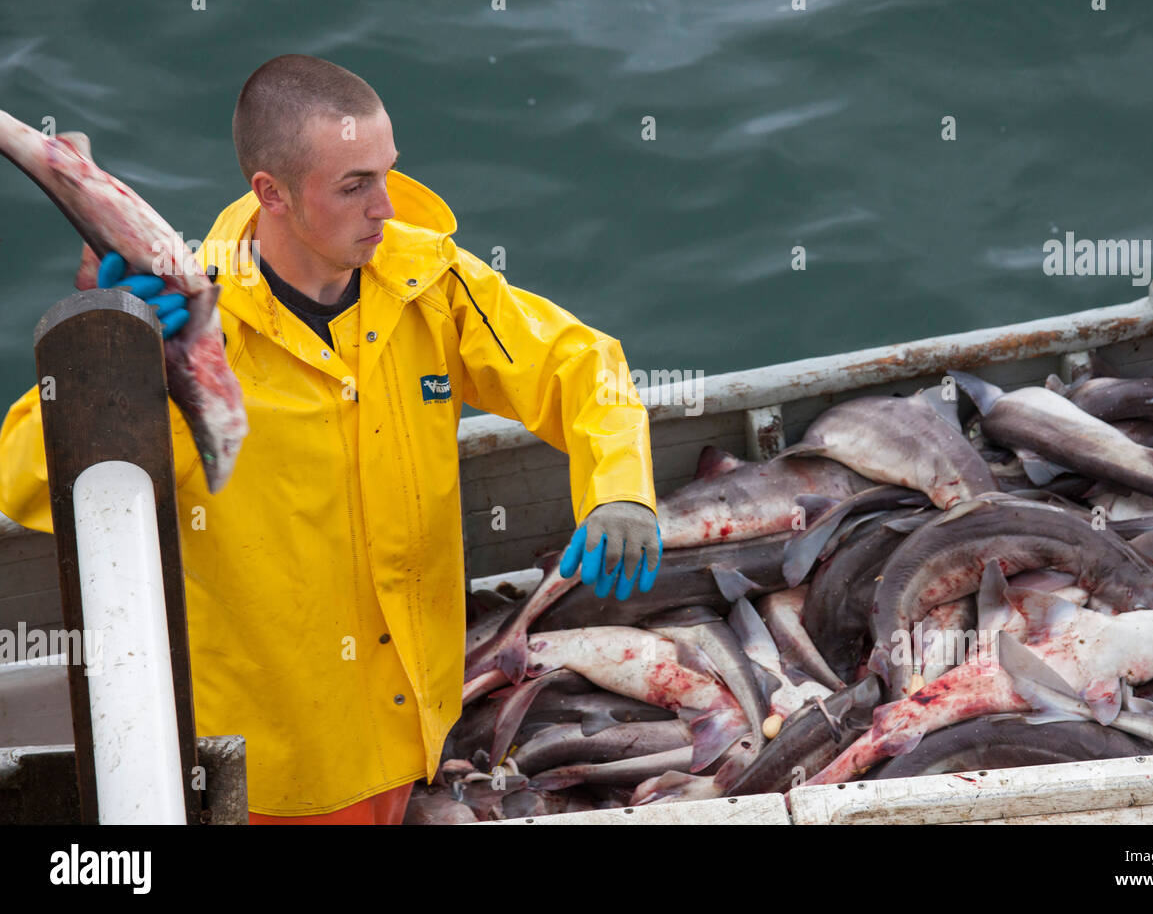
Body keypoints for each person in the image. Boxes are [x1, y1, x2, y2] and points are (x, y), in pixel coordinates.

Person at [0, 54, 662, 823]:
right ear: (270, 193)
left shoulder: (434, 285)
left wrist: (618, 489)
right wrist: (112, 358)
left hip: (413, 721)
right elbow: (25, 481)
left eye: (387, 173)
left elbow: (582, 367)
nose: (386, 207)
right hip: (275, 761)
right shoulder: (192, 338)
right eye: (355, 185)